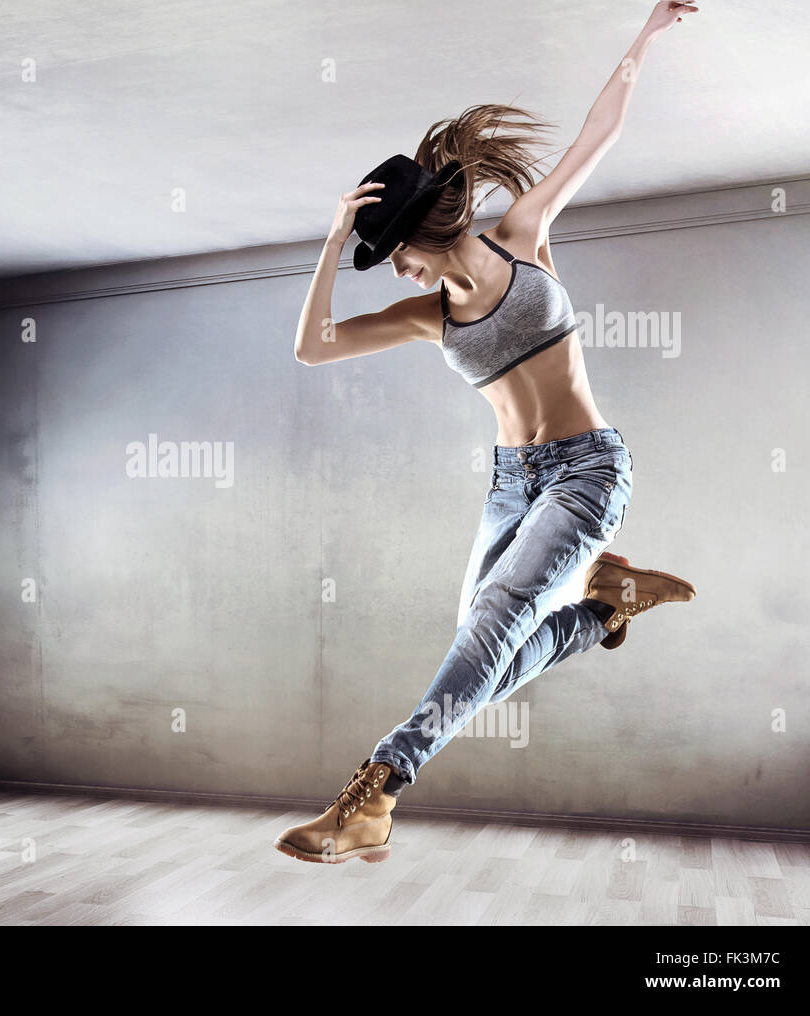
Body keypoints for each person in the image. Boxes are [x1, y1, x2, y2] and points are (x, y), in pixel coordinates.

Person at [278, 0, 701, 864]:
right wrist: (330, 242)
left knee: (494, 626)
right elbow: (312, 348)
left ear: (431, 230)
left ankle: (375, 793)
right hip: (513, 482)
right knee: (483, 640)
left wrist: (645, 36)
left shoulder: (522, 237)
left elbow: (598, 135)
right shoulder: (425, 316)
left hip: (587, 472)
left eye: (395, 249)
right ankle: (601, 609)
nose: (395, 268)